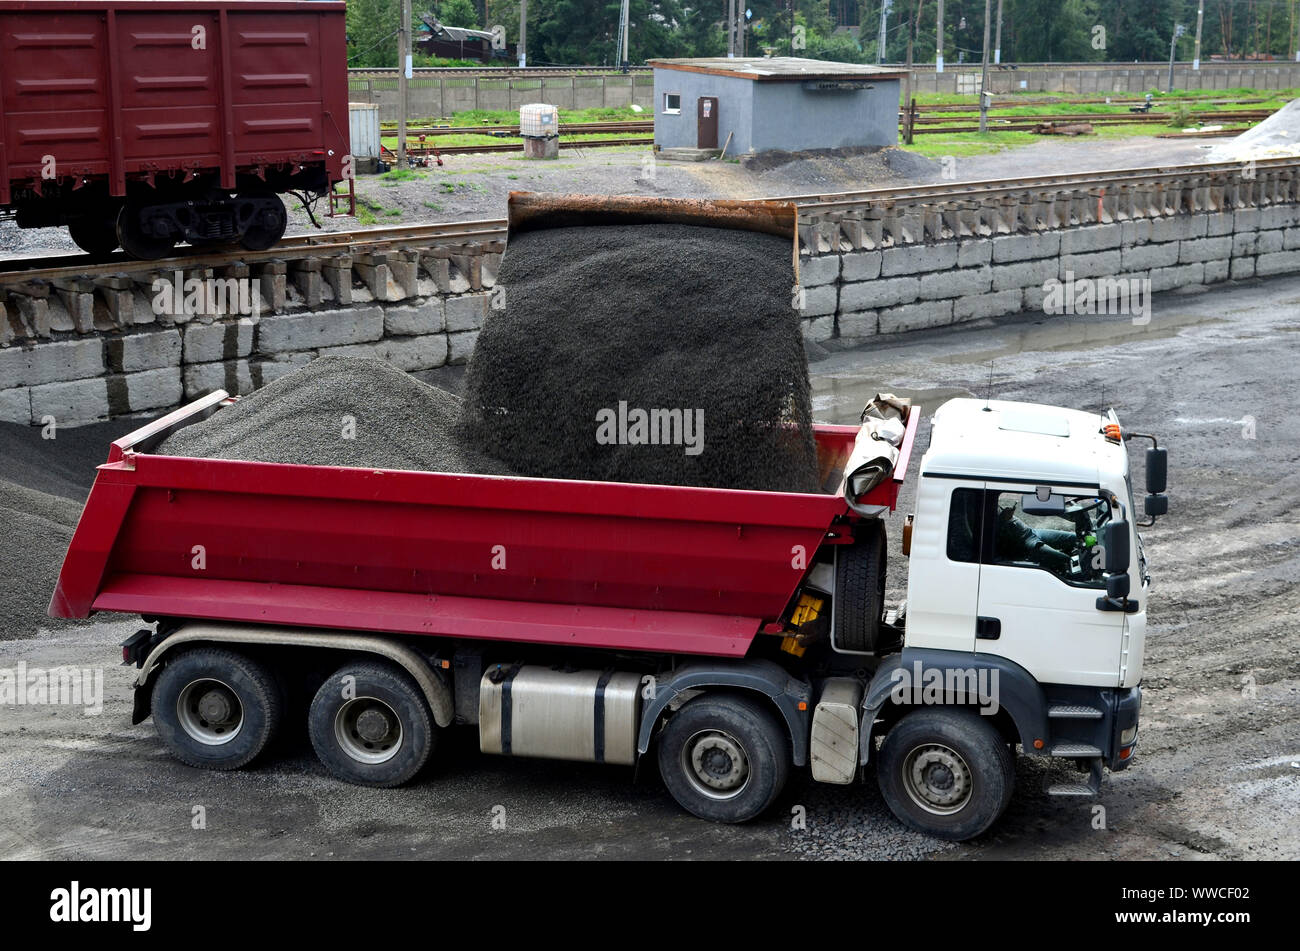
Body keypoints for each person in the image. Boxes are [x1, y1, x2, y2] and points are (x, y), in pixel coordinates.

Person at [995, 504, 1075, 573]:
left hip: (1032, 532)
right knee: (1066, 560)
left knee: (1074, 537)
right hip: (1026, 541)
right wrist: (1003, 518)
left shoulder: (991, 502)